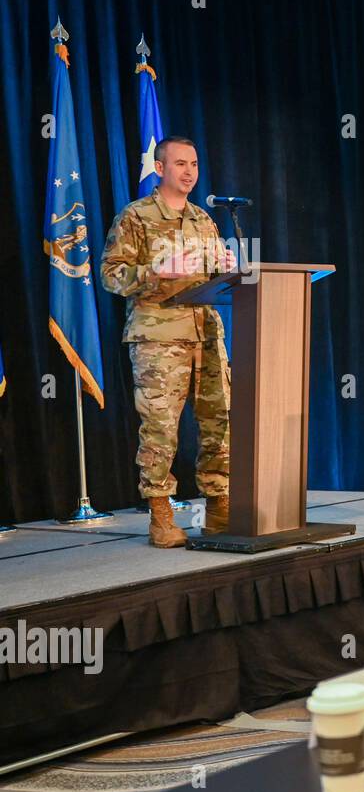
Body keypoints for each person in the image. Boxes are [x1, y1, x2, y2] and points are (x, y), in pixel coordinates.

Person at [100, 136, 234, 548]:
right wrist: (158, 271)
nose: (189, 171)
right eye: (179, 163)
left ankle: (219, 508)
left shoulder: (203, 219)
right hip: (159, 337)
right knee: (161, 429)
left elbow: (211, 276)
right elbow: (110, 274)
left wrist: (227, 268)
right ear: (160, 169)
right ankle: (161, 514)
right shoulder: (136, 217)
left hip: (206, 334)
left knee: (220, 422)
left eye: (193, 163)